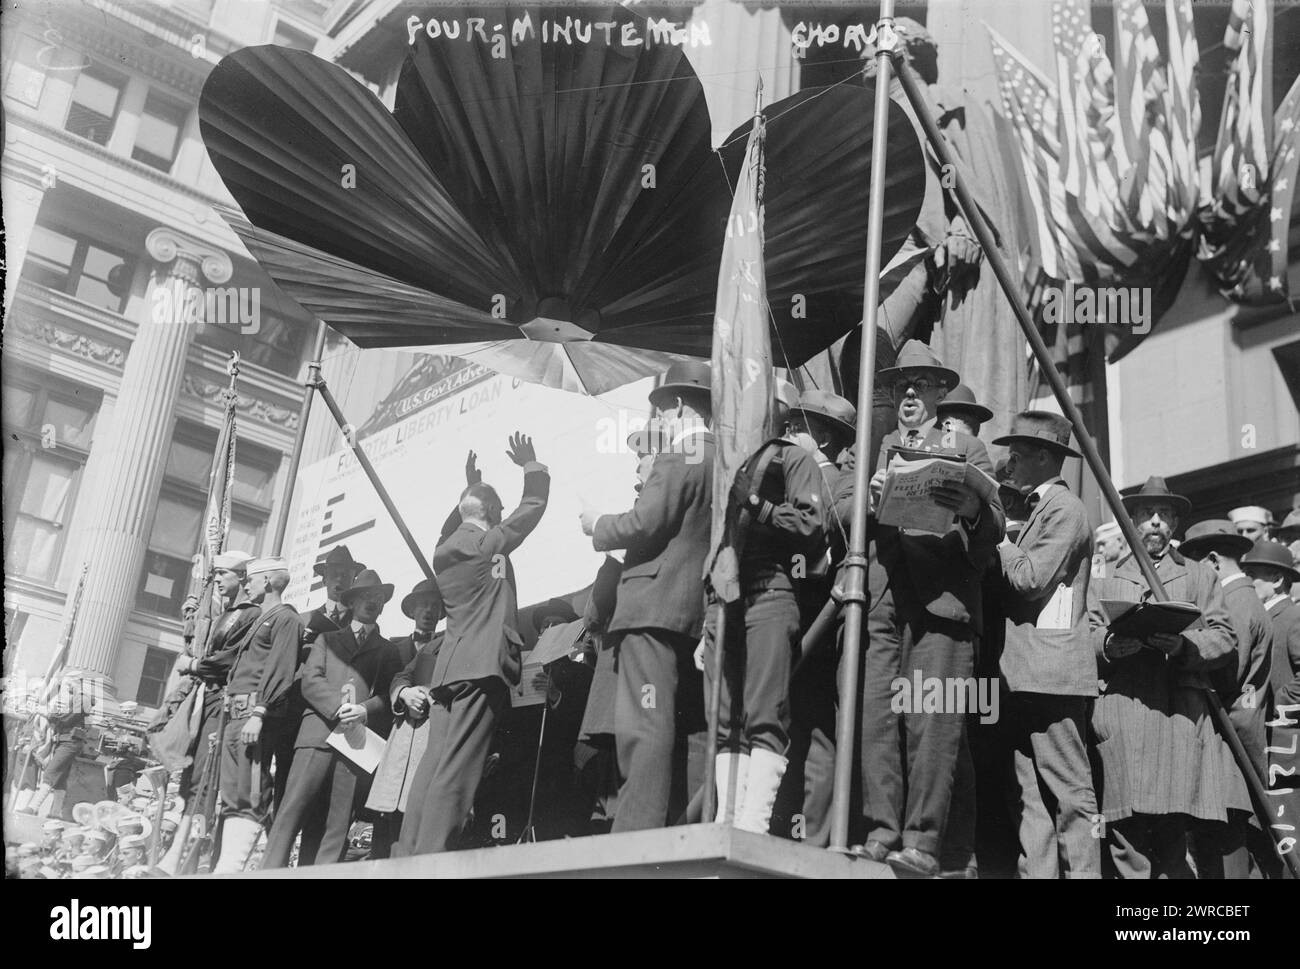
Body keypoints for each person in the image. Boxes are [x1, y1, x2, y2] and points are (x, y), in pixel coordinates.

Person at [840, 340, 1005, 877]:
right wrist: (866, 498)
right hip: (886, 601)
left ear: (940, 394)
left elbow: (995, 527)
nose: (909, 394)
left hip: (944, 603)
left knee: (933, 724)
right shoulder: (880, 445)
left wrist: (974, 508)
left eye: (921, 385)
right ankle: (882, 831)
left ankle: (924, 840)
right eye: (899, 386)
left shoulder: (965, 447)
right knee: (876, 719)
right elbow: (839, 510)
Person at [396, 433, 550, 855]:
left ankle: (408, 855)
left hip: (448, 672)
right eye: (496, 511)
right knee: (459, 774)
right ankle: (430, 862)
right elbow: (531, 509)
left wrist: (467, 488)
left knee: (433, 768)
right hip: (483, 670)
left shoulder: (444, 552)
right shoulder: (488, 544)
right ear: (492, 512)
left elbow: (455, 524)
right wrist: (532, 467)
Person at [1086, 477, 1246, 878]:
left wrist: (1182, 646)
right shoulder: (1103, 577)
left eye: (1164, 515)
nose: (1155, 522)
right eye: (1145, 514)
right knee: (1126, 834)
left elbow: (1225, 638)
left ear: (1174, 523)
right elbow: (1083, 635)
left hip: (1176, 718)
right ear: (1130, 521)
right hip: (1124, 713)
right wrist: (1106, 646)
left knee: (1173, 836)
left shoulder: (1198, 576)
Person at [580, 360, 714, 832]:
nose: (656, 425)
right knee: (680, 730)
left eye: (658, 413)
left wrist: (598, 525)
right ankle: (677, 829)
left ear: (676, 406)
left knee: (644, 728)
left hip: (650, 609)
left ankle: (635, 834)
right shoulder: (719, 458)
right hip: (689, 614)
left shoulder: (680, 455)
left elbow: (644, 523)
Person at [699, 390, 829, 833]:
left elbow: (812, 525)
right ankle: (726, 820)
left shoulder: (791, 459)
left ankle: (752, 825)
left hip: (770, 594)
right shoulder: (725, 466)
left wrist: (757, 503)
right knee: (724, 718)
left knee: (763, 713)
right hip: (725, 604)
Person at [993, 412, 1101, 878]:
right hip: (1024, 672)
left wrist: (999, 537)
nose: (1009, 459)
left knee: (1071, 792)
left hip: (1050, 673)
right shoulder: (1040, 507)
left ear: (1044, 456)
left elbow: (1029, 578)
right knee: (1029, 797)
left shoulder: (1065, 509)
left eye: (1018, 450)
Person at [262, 570, 401, 868]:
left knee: (336, 825)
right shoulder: (326, 640)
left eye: (377, 598)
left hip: (354, 744)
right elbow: (310, 680)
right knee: (291, 811)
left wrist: (365, 710)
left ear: (384, 604)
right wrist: (338, 706)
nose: (371, 602)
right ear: (351, 602)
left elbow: (390, 696)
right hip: (316, 735)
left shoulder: (389, 650)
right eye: (365, 596)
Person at [769, 389, 855, 845]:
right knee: (795, 725)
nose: (787, 436)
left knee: (815, 724)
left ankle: (814, 836)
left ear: (820, 436)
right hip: (795, 610)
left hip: (817, 614)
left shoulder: (835, 481)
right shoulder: (799, 477)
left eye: (796, 428)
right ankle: (794, 829)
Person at [1180, 521, 1274, 878]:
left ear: (1214, 561)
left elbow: (1223, 674)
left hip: (1226, 756)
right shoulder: (1247, 598)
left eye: (1194, 565)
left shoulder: (1233, 603)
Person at [212, 556, 303, 873]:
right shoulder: (264, 618)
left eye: (250, 578)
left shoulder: (285, 619)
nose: (245, 583)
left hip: (254, 716)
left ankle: (232, 869)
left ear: (267, 582)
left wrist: (259, 713)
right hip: (238, 717)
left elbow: (280, 670)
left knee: (251, 794)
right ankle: (230, 867)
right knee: (234, 793)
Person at [365, 577, 444, 858]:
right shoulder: (393, 650)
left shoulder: (447, 645)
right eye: (423, 605)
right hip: (392, 740)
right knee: (383, 824)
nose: (428, 612)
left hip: (426, 744)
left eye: (435, 606)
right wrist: (404, 695)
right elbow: (386, 692)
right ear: (412, 611)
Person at [174, 551, 260, 804]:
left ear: (243, 577)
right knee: (190, 775)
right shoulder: (227, 613)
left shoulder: (249, 614)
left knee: (205, 774)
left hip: (224, 702)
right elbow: (206, 649)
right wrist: (191, 624)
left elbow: (226, 659)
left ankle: (197, 833)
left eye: (223, 573)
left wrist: (192, 664)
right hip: (207, 698)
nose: (218, 580)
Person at [18, 671, 93, 819]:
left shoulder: (83, 698)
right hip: (65, 740)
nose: (65, 688)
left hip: (71, 741)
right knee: (60, 778)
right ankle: (55, 813)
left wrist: (47, 714)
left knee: (50, 773)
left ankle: (33, 808)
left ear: (73, 682)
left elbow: (67, 719)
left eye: (66, 684)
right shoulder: (78, 698)